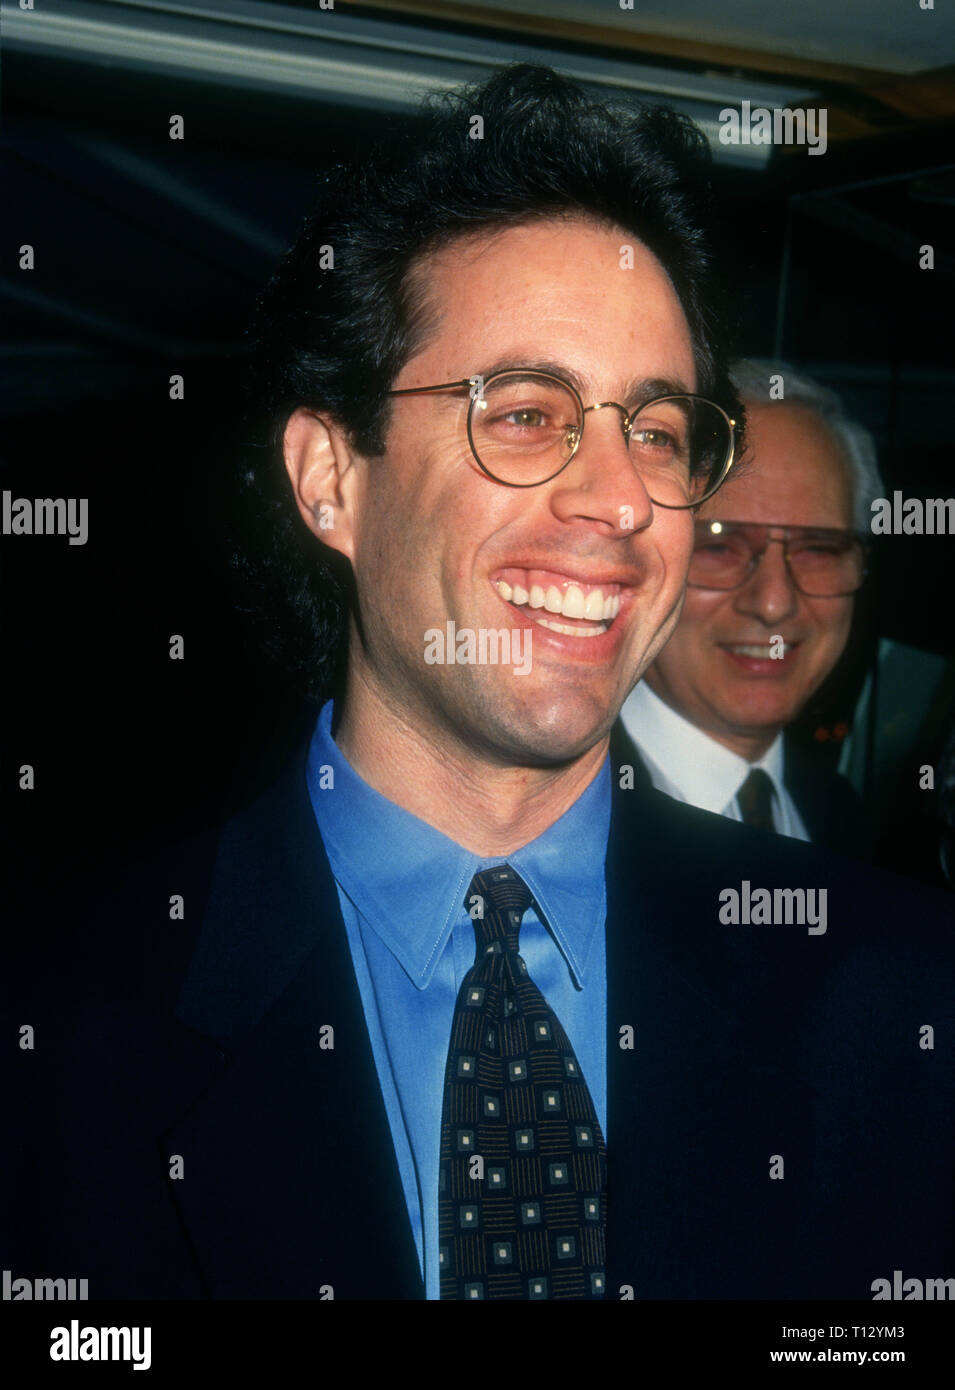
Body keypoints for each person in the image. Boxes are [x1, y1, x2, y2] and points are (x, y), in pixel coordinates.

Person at [5, 66, 952, 1303]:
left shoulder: (895, 994)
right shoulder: (62, 1027)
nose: (621, 499)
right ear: (331, 479)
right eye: (524, 414)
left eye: (657, 431)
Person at [616, 359, 879, 854]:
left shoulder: (860, 831)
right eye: (719, 546)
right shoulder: (547, 818)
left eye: (819, 550)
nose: (774, 604)